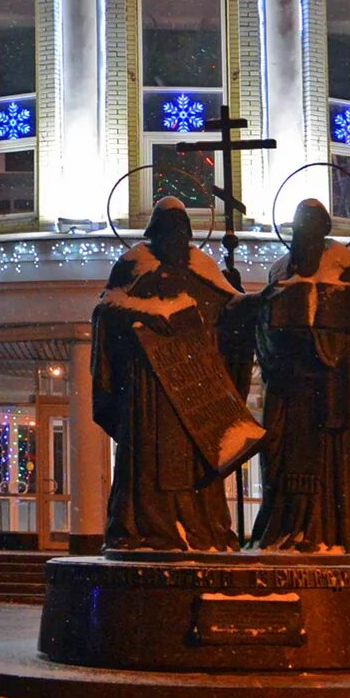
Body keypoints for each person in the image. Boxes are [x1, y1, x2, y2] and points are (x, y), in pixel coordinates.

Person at [91, 198, 262, 552]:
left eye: (183, 234)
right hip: (150, 386)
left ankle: (198, 527)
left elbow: (228, 314)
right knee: (150, 456)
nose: (178, 241)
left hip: (194, 383)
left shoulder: (202, 266)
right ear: (156, 234)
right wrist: (149, 315)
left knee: (193, 456)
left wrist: (245, 303)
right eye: (170, 233)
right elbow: (108, 307)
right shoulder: (135, 263)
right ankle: (147, 526)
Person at [238, 197, 350, 554]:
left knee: (327, 465)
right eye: (297, 231)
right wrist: (256, 309)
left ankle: (326, 531)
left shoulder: (348, 265)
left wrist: (330, 318)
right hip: (287, 387)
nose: (301, 239)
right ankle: (284, 527)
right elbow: (265, 318)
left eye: (309, 231)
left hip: (328, 389)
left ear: (323, 232)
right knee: (280, 459)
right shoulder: (280, 270)